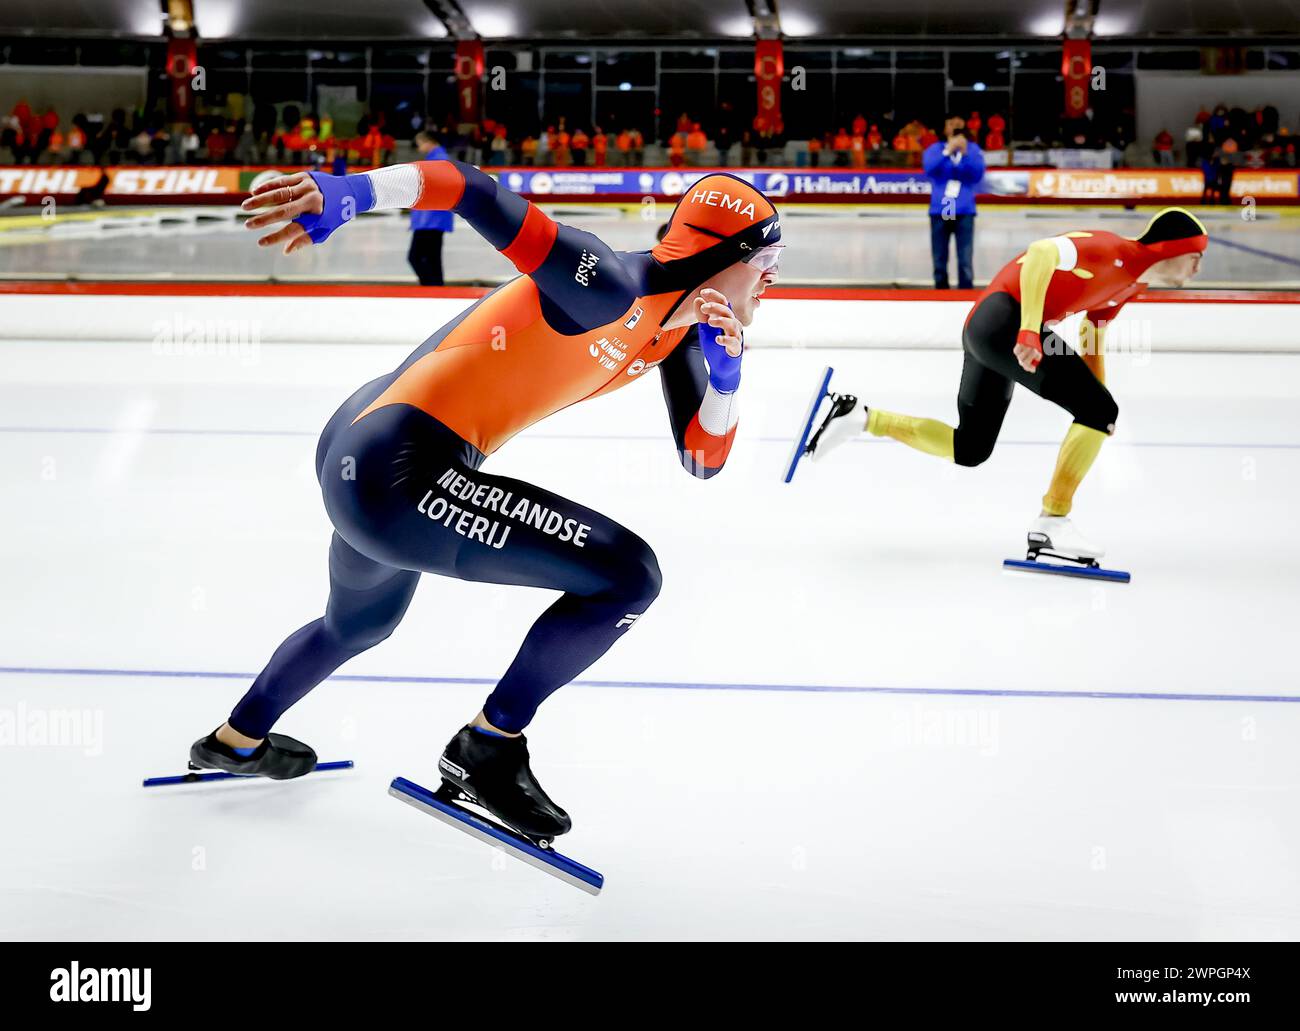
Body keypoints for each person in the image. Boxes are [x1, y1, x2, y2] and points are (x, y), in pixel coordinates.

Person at [192, 165, 783, 846]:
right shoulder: (603, 282)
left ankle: (234, 741)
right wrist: (351, 193)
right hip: (397, 467)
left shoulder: (677, 331)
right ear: (721, 257)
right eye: (765, 259)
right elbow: (466, 188)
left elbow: (702, 458)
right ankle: (488, 745)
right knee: (629, 576)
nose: (772, 278)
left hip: (368, 446)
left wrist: (729, 377)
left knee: (357, 625)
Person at [804, 208, 1207, 562]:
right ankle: (1053, 520)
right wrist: (1031, 331)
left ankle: (861, 417)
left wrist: (1097, 403)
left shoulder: (1131, 285)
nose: (1198, 269)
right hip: (1006, 322)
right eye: (1196, 258)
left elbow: (1093, 333)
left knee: (971, 448)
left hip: (989, 329)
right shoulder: (1109, 249)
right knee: (1098, 410)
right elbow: (1042, 254)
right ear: (1174, 251)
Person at [922, 114, 984, 290]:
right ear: (945, 128)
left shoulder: (972, 150)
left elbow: (977, 174)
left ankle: (965, 294)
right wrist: (947, 152)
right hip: (940, 210)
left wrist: (964, 155)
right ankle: (940, 292)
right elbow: (930, 168)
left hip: (964, 210)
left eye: (958, 123)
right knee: (939, 257)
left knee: (965, 258)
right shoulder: (935, 149)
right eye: (951, 123)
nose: (955, 126)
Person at [406, 131, 453, 286]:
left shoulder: (438, 161)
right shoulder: (439, 160)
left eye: (420, 144)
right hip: (433, 218)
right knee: (432, 258)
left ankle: (431, 288)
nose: (419, 148)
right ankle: (437, 289)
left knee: (416, 257)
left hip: (430, 218)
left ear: (429, 142)